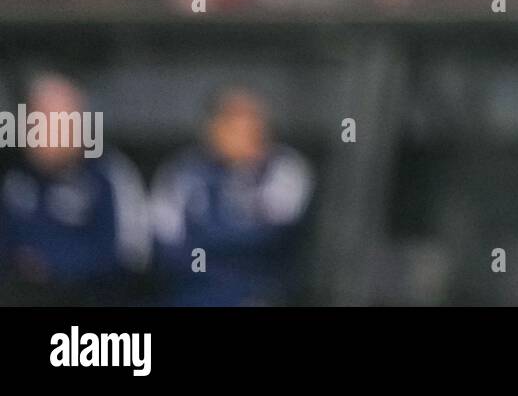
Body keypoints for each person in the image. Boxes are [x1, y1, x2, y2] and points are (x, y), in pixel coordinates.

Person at [150, 87, 314, 305]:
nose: (248, 128)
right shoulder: (181, 172)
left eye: (254, 119)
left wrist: (205, 239)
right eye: (234, 119)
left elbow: (268, 240)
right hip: (192, 292)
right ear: (212, 127)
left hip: (261, 292)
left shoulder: (285, 168)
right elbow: (167, 249)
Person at [0, 73, 150, 305]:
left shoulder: (109, 174)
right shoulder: (14, 178)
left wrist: (57, 268)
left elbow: (132, 257)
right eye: (38, 119)